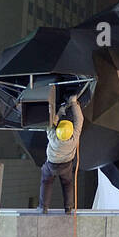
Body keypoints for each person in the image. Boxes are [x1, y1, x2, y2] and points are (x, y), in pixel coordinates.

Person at [39, 83, 82, 214]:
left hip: (52, 164)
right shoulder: (74, 137)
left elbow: (50, 124)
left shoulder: (53, 137)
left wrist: (58, 113)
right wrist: (73, 103)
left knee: (46, 182)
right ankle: (68, 208)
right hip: (66, 165)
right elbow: (79, 120)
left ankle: (43, 207)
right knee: (67, 184)